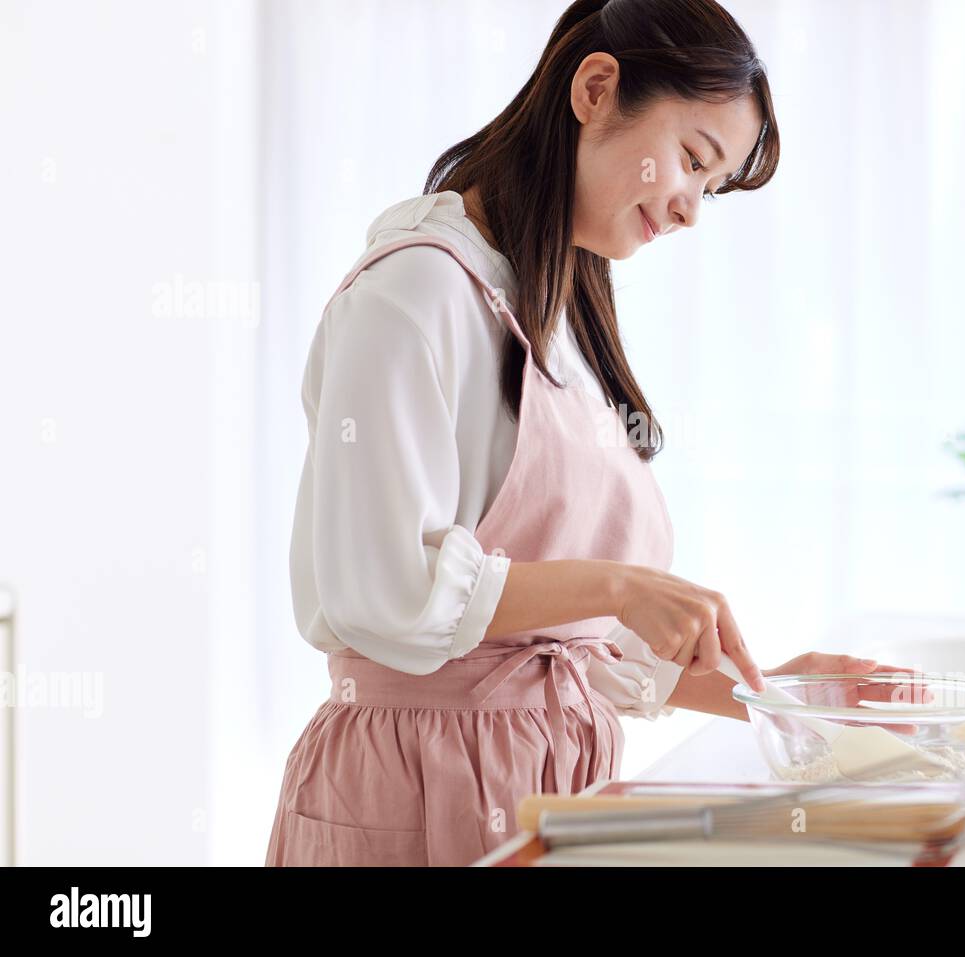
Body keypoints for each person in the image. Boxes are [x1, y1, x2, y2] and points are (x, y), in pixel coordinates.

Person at [265, 0, 898, 867]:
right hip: (412, 787)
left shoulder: (556, 315)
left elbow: (563, 652)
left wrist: (783, 695)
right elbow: (382, 587)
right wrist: (617, 583)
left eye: (709, 189)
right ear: (596, 89)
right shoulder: (413, 294)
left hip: (552, 786)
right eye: (691, 161)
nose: (689, 212)